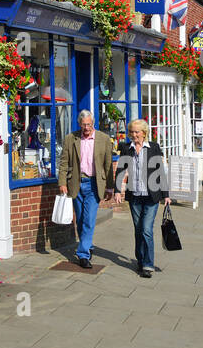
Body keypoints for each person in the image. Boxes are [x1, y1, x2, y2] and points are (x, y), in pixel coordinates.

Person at [58, 108, 115, 269]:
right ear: (79, 124)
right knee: (81, 219)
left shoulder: (103, 139)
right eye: (83, 125)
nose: (86, 128)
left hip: (94, 184)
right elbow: (64, 163)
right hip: (76, 183)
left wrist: (110, 187)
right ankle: (87, 244)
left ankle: (83, 254)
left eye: (89, 124)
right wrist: (62, 182)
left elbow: (108, 165)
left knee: (89, 220)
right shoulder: (71, 138)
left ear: (93, 123)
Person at [114, 118, 171, 277]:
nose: (134, 134)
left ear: (144, 133)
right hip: (135, 196)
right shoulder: (126, 148)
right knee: (138, 230)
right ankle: (140, 259)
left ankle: (148, 264)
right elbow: (120, 170)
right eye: (131, 132)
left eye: (137, 132)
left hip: (151, 196)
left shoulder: (153, 148)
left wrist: (166, 195)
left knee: (146, 229)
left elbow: (160, 173)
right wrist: (117, 190)